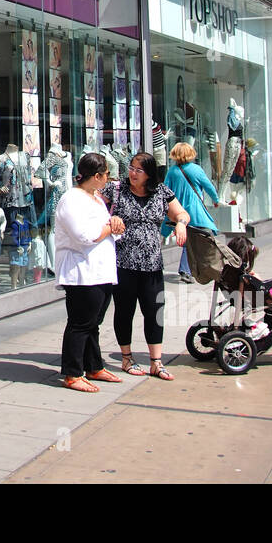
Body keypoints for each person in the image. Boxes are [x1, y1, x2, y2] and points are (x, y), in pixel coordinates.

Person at [104, 151, 190, 380]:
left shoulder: (161, 192)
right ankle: (126, 358)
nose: (132, 173)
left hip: (152, 264)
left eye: (138, 170)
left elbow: (181, 212)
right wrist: (109, 219)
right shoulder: (117, 189)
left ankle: (156, 362)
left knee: (154, 312)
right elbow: (92, 205)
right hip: (123, 262)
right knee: (124, 312)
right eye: (131, 168)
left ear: (149, 173)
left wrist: (180, 224)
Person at [53, 152, 125, 392]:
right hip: (81, 271)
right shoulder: (71, 199)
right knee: (80, 323)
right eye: (106, 175)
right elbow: (85, 235)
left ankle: (93, 365)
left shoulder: (95, 199)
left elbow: (109, 229)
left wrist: (113, 225)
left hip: (101, 271)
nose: (108, 179)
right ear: (96, 176)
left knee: (93, 322)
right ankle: (73, 372)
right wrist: (108, 227)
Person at [163, 142, 220, 284]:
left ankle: (188, 269)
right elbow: (209, 186)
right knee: (201, 237)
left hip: (177, 210)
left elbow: (164, 191)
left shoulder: (172, 171)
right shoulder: (196, 169)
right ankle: (192, 270)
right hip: (194, 211)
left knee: (189, 239)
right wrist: (216, 199)